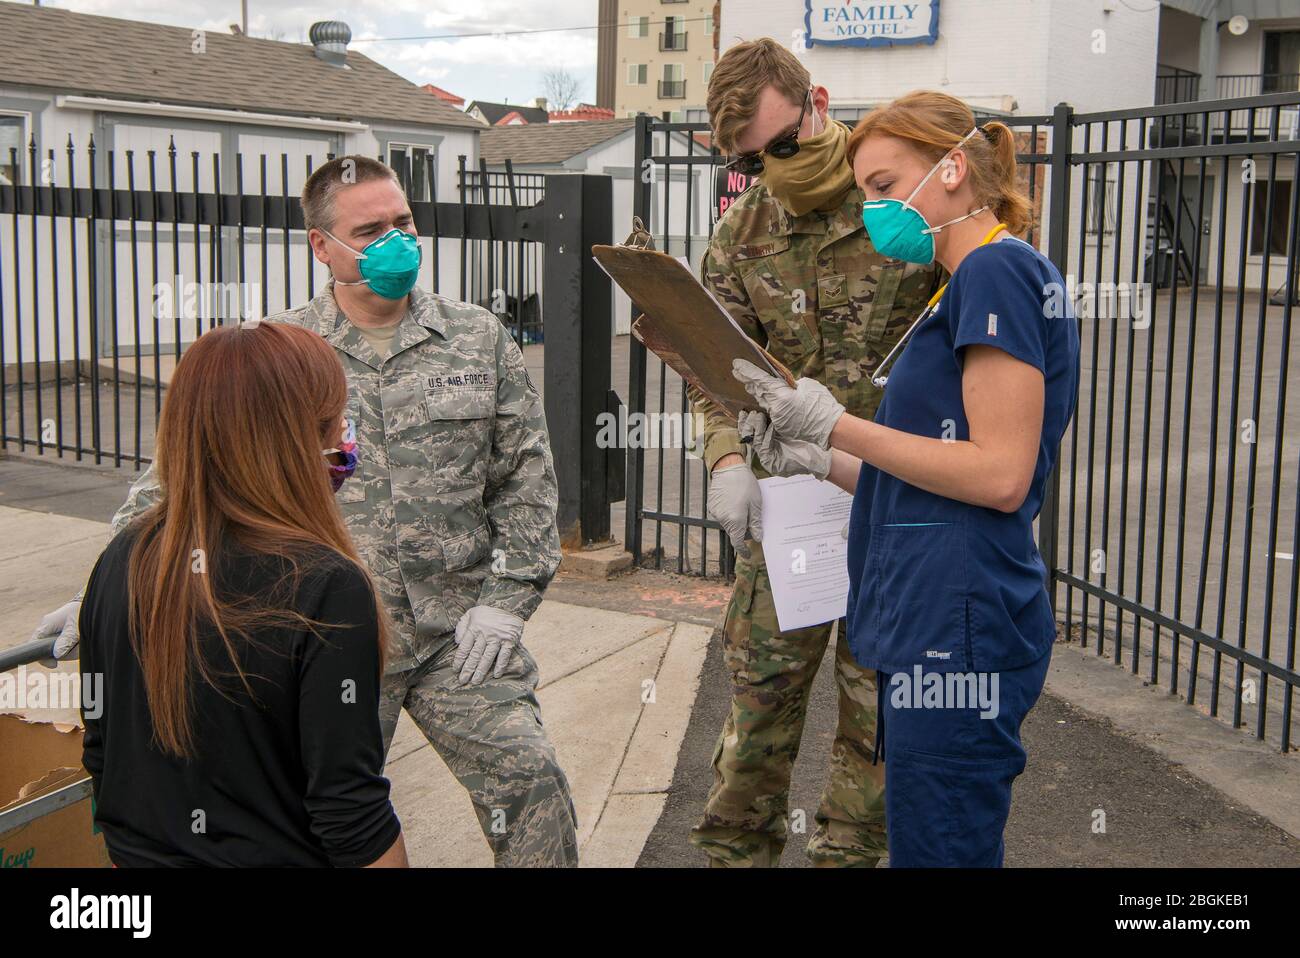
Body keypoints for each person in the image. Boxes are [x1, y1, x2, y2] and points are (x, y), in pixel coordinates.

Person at [43, 155, 578, 867]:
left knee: (533, 787)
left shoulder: (478, 337)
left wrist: (508, 597)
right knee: (316, 823)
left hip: (461, 633)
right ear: (322, 246)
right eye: (372, 229)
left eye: (405, 222)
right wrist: (108, 585)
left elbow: (528, 481)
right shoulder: (285, 354)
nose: (398, 241)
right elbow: (182, 474)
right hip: (329, 638)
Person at [733, 90, 1081, 867]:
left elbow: (998, 474)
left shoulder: (996, 272)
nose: (873, 210)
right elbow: (935, 472)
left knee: (941, 848)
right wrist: (822, 459)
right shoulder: (966, 282)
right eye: (866, 194)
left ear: (952, 168)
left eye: (886, 187)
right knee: (932, 839)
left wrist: (837, 425)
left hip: (959, 623)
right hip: (931, 616)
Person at [686, 38, 942, 868]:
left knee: (876, 722)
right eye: (752, 162)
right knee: (760, 708)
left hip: (895, 501)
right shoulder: (740, 233)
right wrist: (727, 460)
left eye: (783, 146)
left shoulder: (901, 203)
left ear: (819, 102)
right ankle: (734, 854)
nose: (772, 170)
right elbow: (712, 367)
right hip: (790, 503)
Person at [78, 322, 407, 867]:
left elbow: (102, 755)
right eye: (337, 422)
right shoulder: (325, 585)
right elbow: (351, 814)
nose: (346, 437)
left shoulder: (121, 559)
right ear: (295, 438)